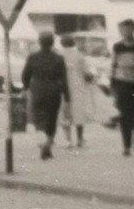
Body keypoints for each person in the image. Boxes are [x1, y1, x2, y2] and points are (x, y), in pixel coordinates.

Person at [21, 30, 68, 160]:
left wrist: (26, 87)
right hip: (54, 91)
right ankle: (48, 145)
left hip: (37, 90)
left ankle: (43, 144)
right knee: (52, 119)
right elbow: (63, 79)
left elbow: (25, 75)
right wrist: (67, 95)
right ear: (52, 43)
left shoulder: (33, 57)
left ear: (40, 42)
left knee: (38, 119)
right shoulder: (58, 59)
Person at [110, 19, 134, 156]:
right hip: (122, 83)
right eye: (121, 29)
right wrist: (112, 83)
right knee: (124, 115)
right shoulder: (117, 47)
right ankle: (126, 146)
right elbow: (113, 65)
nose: (123, 32)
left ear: (133, 29)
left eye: (126, 29)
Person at [57, 34, 96, 148]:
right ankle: (79, 139)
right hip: (78, 86)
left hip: (62, 86)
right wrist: (91, 78)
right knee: (79, 112)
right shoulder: (79, 55)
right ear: (73, 43)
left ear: (62, 43)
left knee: (65, 111)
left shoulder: (58, 55)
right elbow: (86, 72)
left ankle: (68, 140)